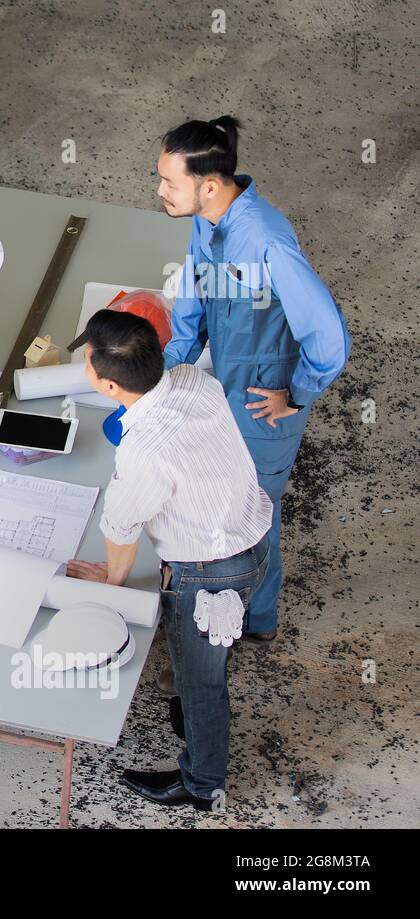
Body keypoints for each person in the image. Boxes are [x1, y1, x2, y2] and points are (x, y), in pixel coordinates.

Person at [155, 116, 350, 642]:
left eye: (170, 182)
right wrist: (170, 367)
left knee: (257, 516)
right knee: (219, 501)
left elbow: (328, 335)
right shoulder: (208, 220)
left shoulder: (266, 240)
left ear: (208, 186)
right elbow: (195, 292)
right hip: (227, 388)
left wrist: (298, 394)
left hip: (265, 406)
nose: (161, 191)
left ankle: (258, 619)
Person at [67, 310, 272, 810]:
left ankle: (202, 784)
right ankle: (188, 706)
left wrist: (112, 580)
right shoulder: (193, 380)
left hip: (208, 575)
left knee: (203, 685)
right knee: (206, 658)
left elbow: (121, 528)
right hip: (253, 538)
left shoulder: (144, 450)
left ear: (109, 386)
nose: (84, 364)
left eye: (87, 361)